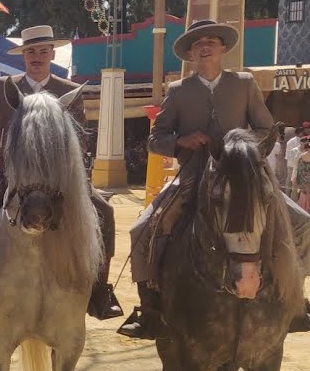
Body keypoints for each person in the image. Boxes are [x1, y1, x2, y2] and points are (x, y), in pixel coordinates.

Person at [119, 20, 310, 338]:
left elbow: (265, 128)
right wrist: (180, 141)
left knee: (303, 222)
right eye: (197, 44)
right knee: (141, 230)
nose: (204, 46)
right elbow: (156, 139)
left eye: (210, 40)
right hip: (193, 175)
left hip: (244, 175)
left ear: (222, 48)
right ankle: (149, 309)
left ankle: (294, 300)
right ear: (191, 54)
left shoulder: (245, 83)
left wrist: (241, 143)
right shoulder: (178, 91)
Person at [0, 23, 123, 324]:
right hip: (10, 180)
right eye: (31, 51)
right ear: (23, 55)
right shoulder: (2, 88)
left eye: (43, 51)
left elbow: (81, 140)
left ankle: (100, 291)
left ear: (52, 53)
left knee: (105, 213)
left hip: (59, 182)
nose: (37, 56)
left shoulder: (69, 92)